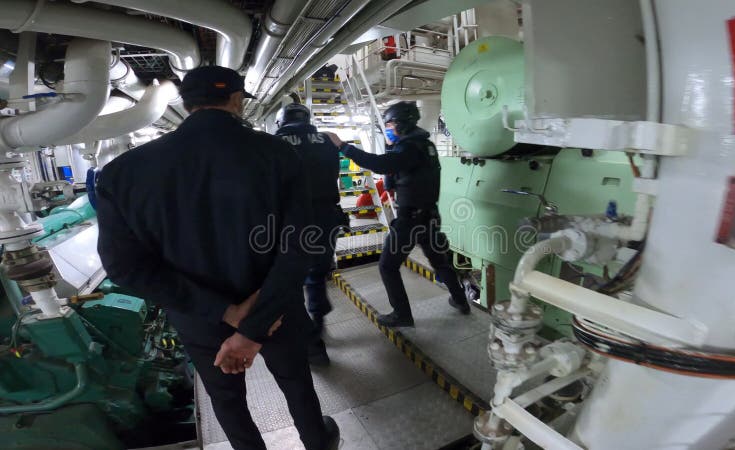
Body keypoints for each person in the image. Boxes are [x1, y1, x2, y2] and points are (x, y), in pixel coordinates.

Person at [94, 65, 339, 450]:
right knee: (297, 384)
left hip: (199, 318)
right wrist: (254, 325)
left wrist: (225, 312)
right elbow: (299, 245)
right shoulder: (276, 154)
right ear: (237, 100)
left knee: (226, 400)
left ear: (186, 104)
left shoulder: (121, 173)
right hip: (275, 309)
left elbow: (125, 266)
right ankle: (317, 441)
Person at [324, 101, 470, 327]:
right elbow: (402, 171)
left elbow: (380, 164)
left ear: (401, 124)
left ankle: (402, 314)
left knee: (387, 266)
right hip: (429, 216)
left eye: (390, 124)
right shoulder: (425, 146)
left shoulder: (409, 148)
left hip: (410, 221)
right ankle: (461, 300)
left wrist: (343, 146)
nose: (388, 128)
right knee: (440, 262)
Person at [275, 103, 347, 341]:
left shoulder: (274, 143)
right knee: (317, 273)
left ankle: (302, 333)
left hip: (292, 220)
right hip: (327, 218)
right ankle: (318, 322)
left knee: (289, 277)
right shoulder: (326, 141)